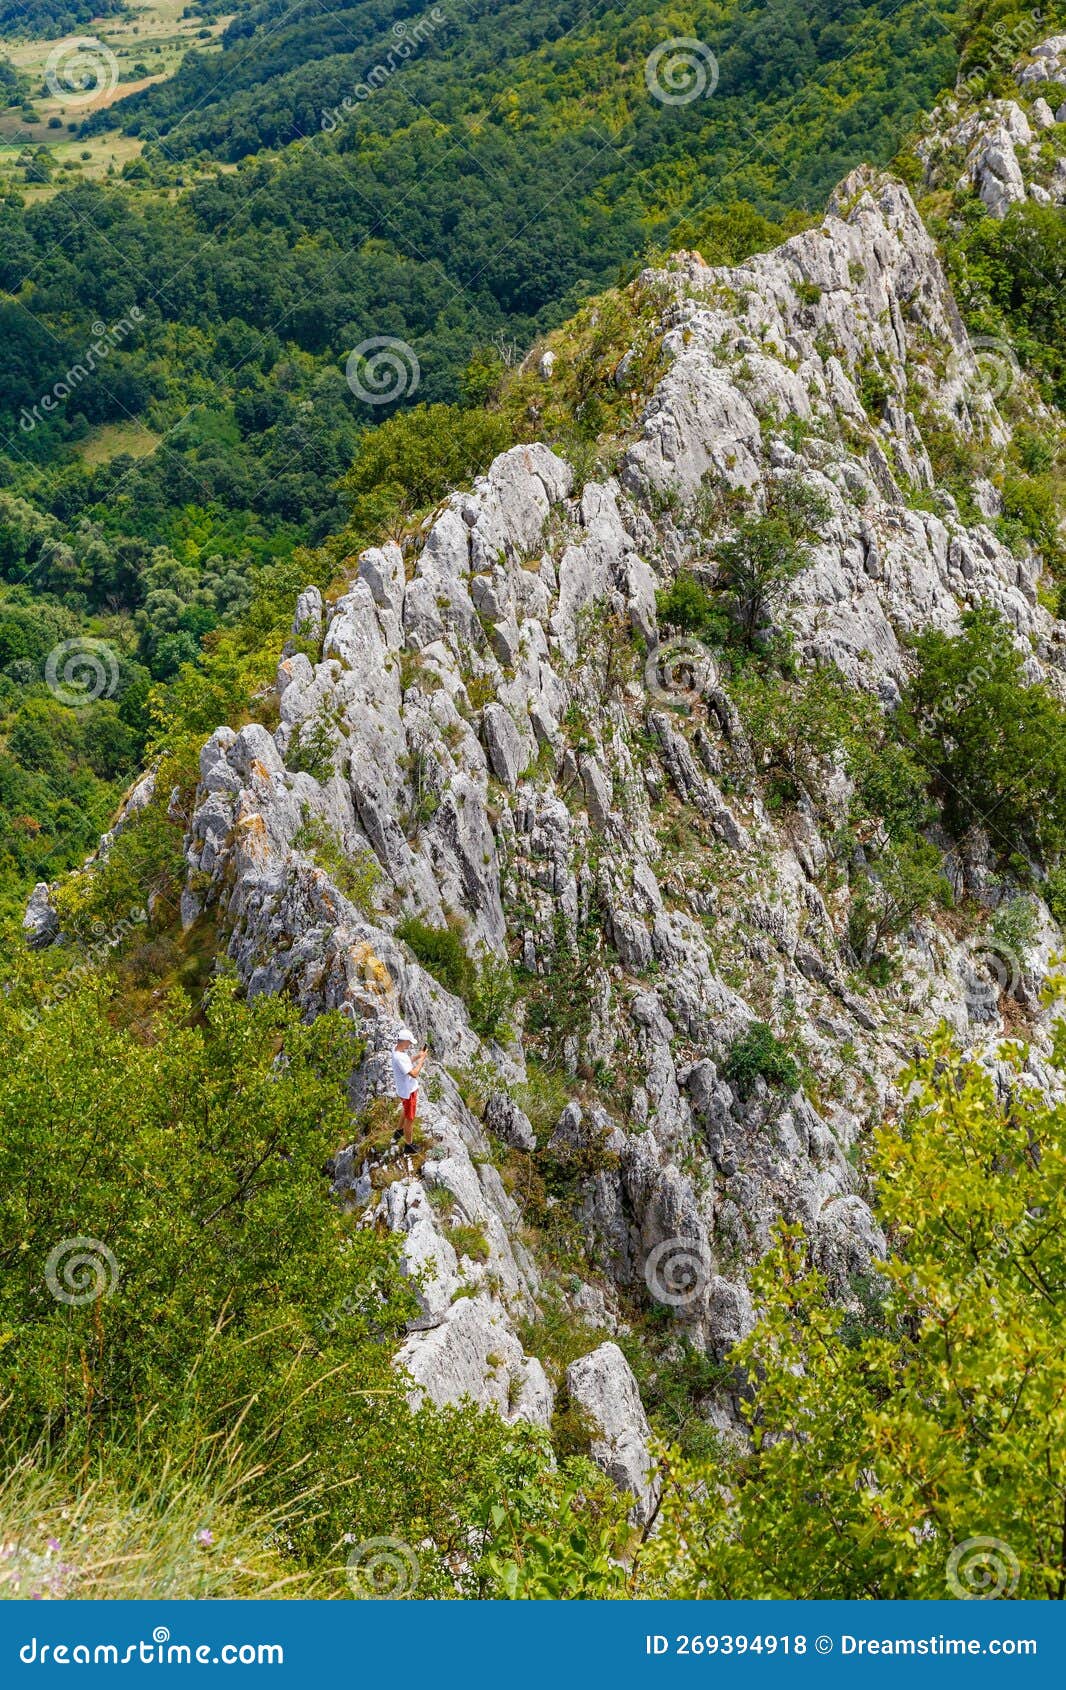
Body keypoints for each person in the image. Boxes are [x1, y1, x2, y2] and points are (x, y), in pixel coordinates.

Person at [391, 1026, 427, 1148]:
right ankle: (409, 1146)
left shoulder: (396, 1050)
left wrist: (418, 1056)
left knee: (405, 1110)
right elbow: (414, 1074)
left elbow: (407, 1062)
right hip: (408, 1091)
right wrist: (422, 1061)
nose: (410, 1044)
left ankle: (398, 1131)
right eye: (410, 1042)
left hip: (404, 1090)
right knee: (410, 1118)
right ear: (405, 1041)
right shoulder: (399, 1057)